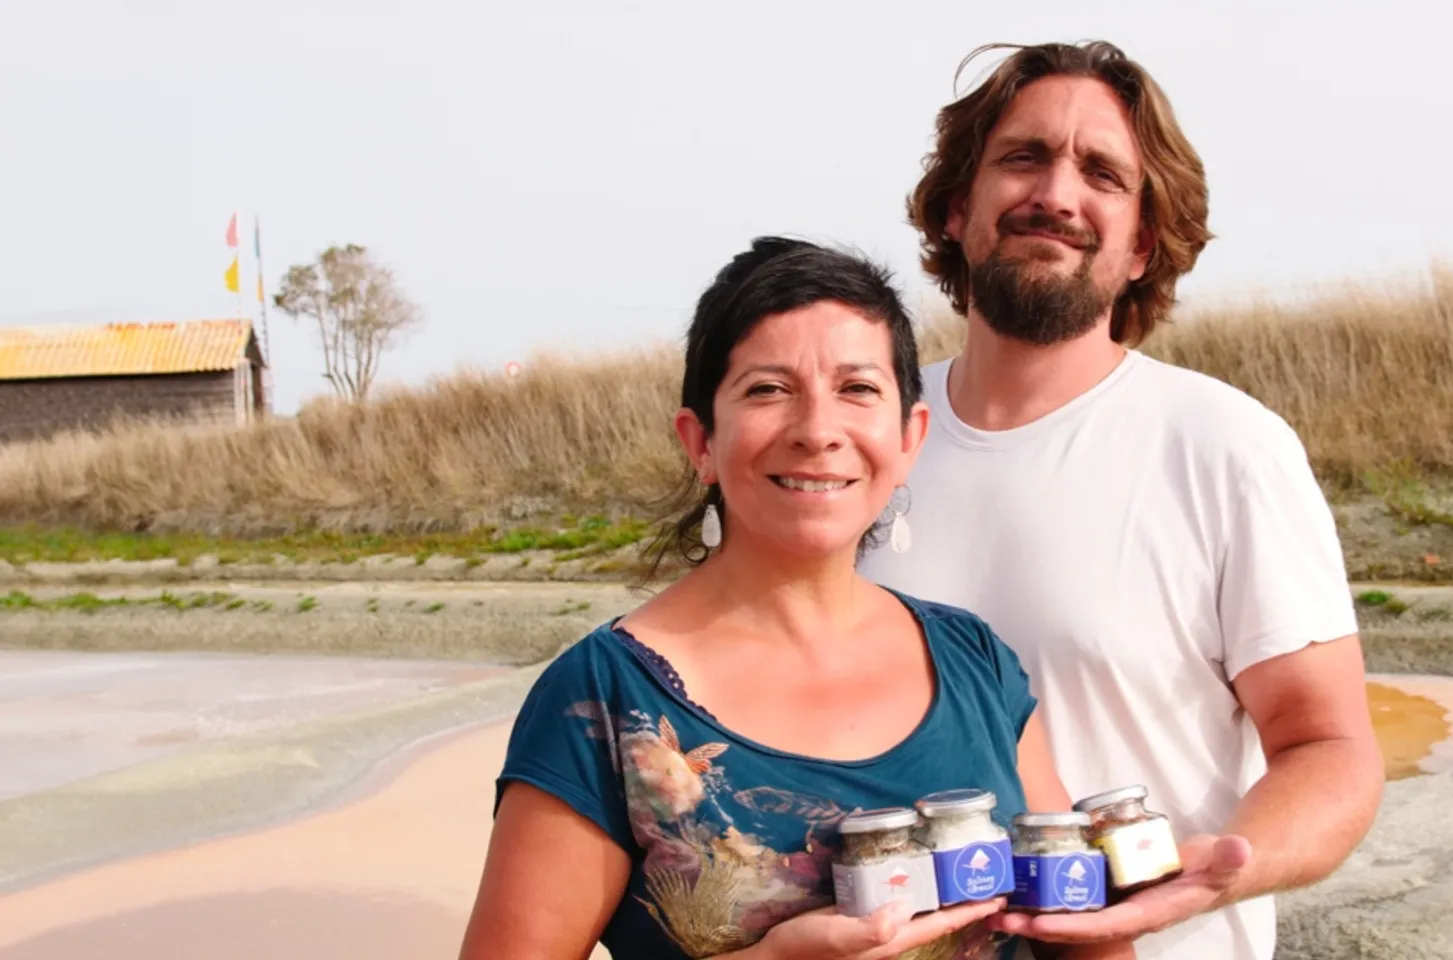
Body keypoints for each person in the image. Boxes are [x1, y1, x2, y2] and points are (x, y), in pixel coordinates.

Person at [458, 237, 1133, 960]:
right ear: (701, 442)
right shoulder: (603, 697)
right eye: (767, 389)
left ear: (910, 437)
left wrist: (1144, 901)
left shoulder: (974, 663)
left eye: (858, 389)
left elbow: (1078, 938)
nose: (817, 431)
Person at [859, 40, 1386, 960]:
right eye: (1023, 157)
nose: (1056, 195)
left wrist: (1215, 871)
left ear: (1143, 241)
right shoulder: (865, 444)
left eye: (1102, 172)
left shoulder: (1225, 448)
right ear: (957, 206)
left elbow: (1331, 749)